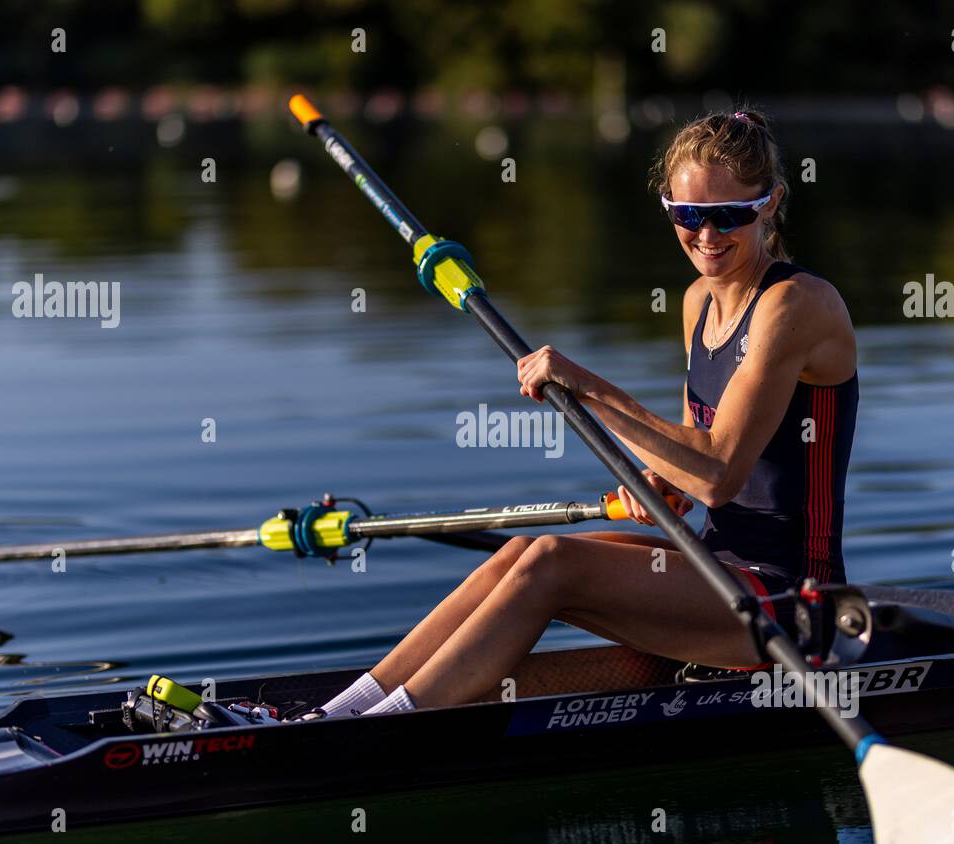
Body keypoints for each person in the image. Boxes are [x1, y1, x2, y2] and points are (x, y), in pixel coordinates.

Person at [301, 108, 858, 720]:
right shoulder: (698, 301)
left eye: (728, 215)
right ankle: (337, 715)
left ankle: (379, 732)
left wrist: (585, 388)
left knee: (551, 564)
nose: (706, 236)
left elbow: (719, 472)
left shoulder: (798, 304)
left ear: (771, 202)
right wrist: (659, 485)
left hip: (792, 600)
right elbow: (691, 459)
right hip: (716, 566)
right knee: (522, 552)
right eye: (688, 216)